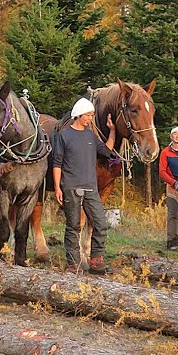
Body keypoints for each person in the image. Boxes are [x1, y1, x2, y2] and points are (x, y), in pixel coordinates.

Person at [51, 97, 116, 274]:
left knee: (100, 222)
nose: (90, 118)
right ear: (78, 115)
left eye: (92, 115)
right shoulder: (63, 136)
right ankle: (74, 264)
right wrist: (57, 187)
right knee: (73, 225)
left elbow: (106, 151)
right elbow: (57, 163)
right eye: (88, 115)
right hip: (71, 186)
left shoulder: (90, 135)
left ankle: (96, 261)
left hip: (90, 187)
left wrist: (112, 132)